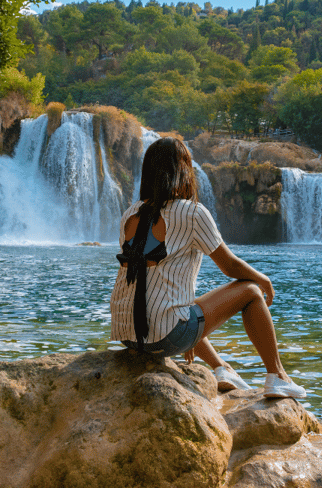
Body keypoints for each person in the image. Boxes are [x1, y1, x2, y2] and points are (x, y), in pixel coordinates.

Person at [110, 137, 305, 399]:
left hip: (128, 334)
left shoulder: (130, 213)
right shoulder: (191, 213)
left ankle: (221, 368)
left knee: (182, 306)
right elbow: (230, 265)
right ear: (183, 170)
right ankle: (277, 376)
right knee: (250, 290)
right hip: (164, 336)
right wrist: (263, 279)